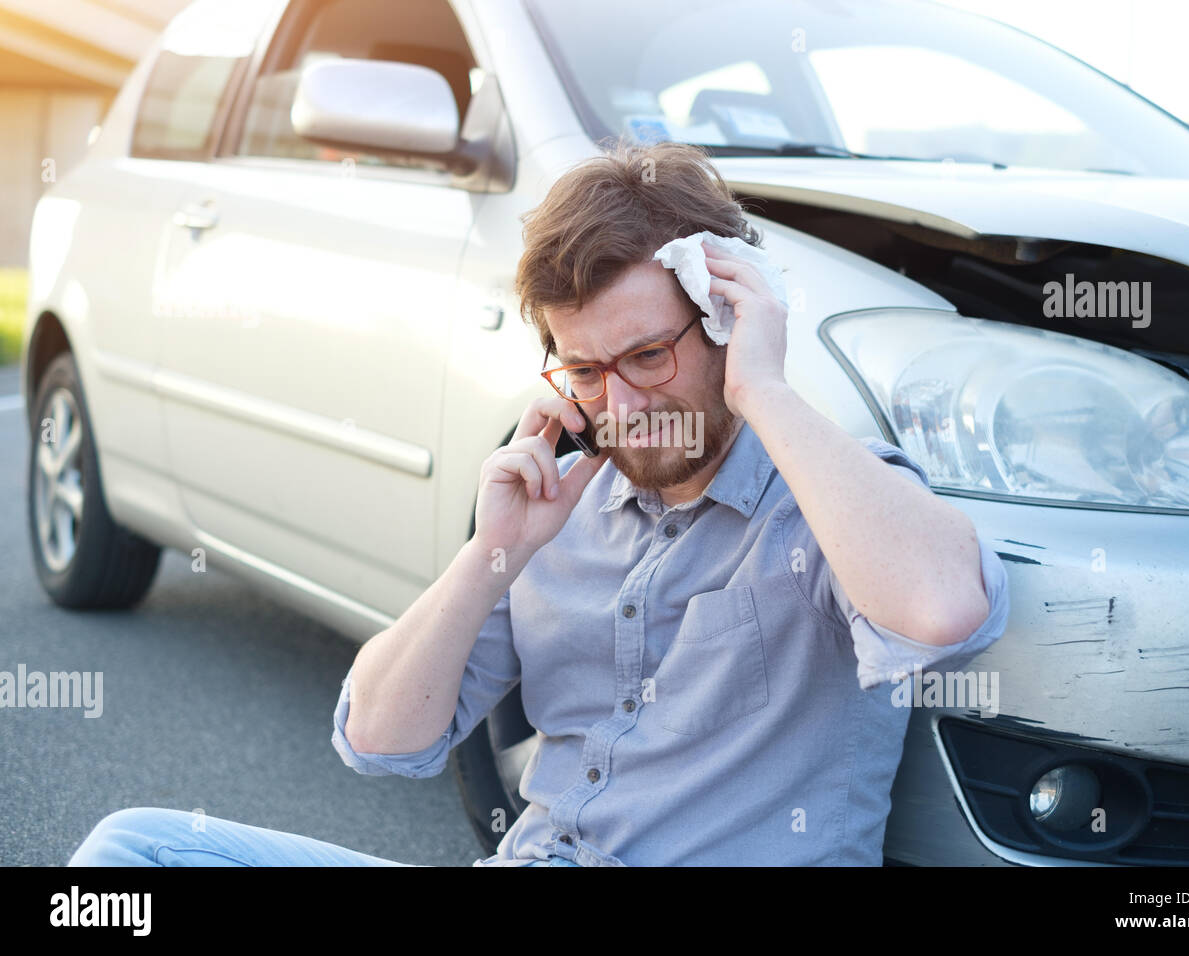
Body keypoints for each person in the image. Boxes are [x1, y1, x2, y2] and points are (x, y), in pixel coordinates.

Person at [68, 138, 1008, 867]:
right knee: (132, 854)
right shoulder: (558, 513)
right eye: (589, 371)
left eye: (649, 356)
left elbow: (943, 610)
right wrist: (492, 557)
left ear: (729, 319)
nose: (625, 407)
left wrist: (763, 387)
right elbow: (380, 740)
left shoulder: (829, 498)